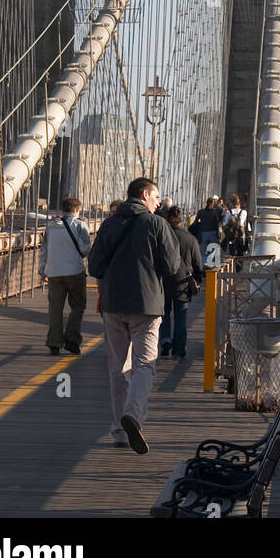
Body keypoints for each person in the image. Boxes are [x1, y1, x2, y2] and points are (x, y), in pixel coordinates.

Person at [87, 178, 181, 454]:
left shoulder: (109, 224)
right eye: (156, 197)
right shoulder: (156, 224)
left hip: (113, 305)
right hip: (147, 305)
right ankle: (133, 414)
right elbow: (172, 266)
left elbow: (94, 266)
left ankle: (119, 431)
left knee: (118, 369)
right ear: (144, 195)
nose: (158, 202)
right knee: (145, 365)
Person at [39, 196, 90, 355]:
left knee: (55, 309)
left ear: (63, 210)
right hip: (74, 272)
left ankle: (54, 343)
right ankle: (72, 340)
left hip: (54, 273)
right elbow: (85, 250)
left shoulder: (51, 226)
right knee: (78, 307)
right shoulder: (80, 225)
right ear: (76, 210)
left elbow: (44, 250)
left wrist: (43, 271)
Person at [159, 206, 203, 360]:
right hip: (183, 282)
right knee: (181, 316)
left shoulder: (161, 237)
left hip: (162, 281)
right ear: (181, 220)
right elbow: (198, 264)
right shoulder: (190, 239)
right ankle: (179, 350)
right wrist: (198, 279)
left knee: (163, 314)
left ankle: (165, 341)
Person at [193, 195, 223, 266]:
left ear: (206, 203)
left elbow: (195, 223)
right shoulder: (215, 213)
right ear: (213, 204)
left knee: (202, 252)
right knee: (212, 251)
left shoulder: (201, 212)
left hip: (203, 233)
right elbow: (217, 225)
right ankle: (209, 266)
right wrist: (219, 236)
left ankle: (203, 267)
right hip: (213, 233)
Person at [222, 194, 249, 269]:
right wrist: (249, 235)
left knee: (232, 253)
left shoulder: (229, 212)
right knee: (240, 253)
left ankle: (231, 270)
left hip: (232, 236)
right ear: (239, 204)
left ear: (233, 204)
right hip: (241, 235)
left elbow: (225, 223)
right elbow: (246, 224)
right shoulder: (244, 212)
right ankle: (239, 269)